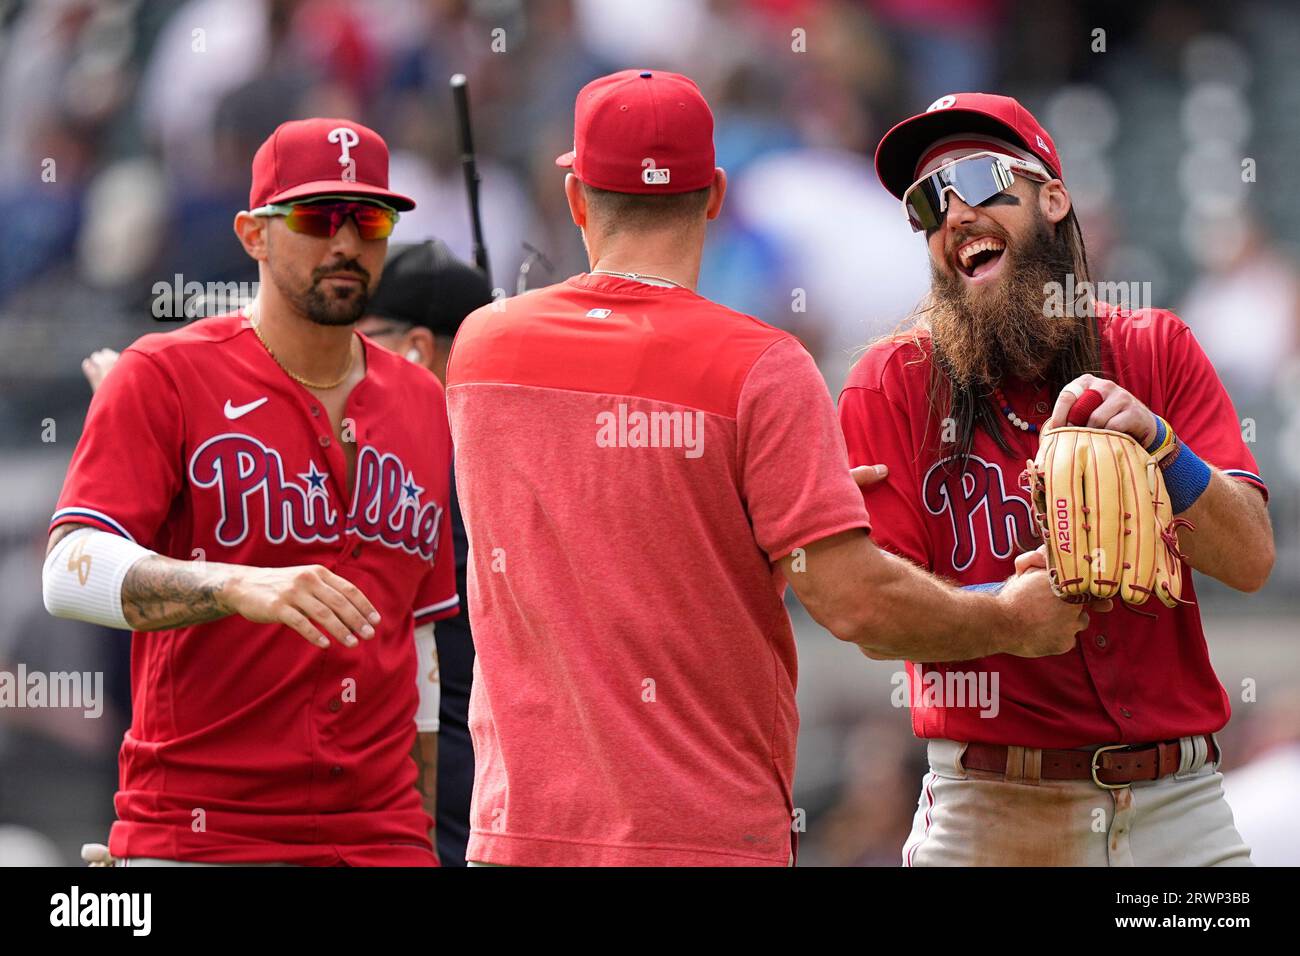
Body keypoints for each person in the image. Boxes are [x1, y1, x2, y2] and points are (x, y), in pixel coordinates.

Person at [445, 69, 1098, 867]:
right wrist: (1008, 617)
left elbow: (605, 512)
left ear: (578, 197)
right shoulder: (762, 366)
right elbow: (855, 603)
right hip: (706, 835)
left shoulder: (480, 350)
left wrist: (767, 511)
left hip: (519, 836)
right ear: (714, 196)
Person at [840, 92, 1275, 866]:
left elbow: (1250, 560)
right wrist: (1002, 613)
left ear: (1052, 196)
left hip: (1180, 807)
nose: (952, 214)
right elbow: (870, 606)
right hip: (992, 812)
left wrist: (1162, 449)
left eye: (975, 179)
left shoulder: (1155, 348)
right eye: (927, 202)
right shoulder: (891, 383)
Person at [43, 118, 459, 866]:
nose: (344, 244)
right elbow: (66, 572)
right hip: (202, 833)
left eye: (367, 220)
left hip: (381, 839)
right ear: (253, 234)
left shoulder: (422, 399)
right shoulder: (165, 372)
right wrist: (234, 584)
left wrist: (423, 832)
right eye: (315, 218)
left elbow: (418, 640)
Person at [356, 239, 494, 866]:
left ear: (416, 348)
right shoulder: (509, 463)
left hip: (438, 812)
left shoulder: (411, 475)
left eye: (363, 336)